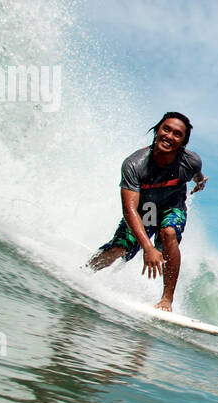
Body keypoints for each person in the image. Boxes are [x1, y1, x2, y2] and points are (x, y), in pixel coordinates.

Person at [88, 112, 208, 311]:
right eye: (166, 129)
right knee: (118, 249)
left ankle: (166, 300)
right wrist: (148, 248)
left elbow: (196, 174)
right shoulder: (134, 164)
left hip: (172, 206)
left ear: (183, 142)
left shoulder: (191, 161)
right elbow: (129, 209)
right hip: (145, 209)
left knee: (169, 233)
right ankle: (85, 271)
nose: (169, 136)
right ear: (157, 131)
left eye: (177, 134)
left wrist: (200, 184)